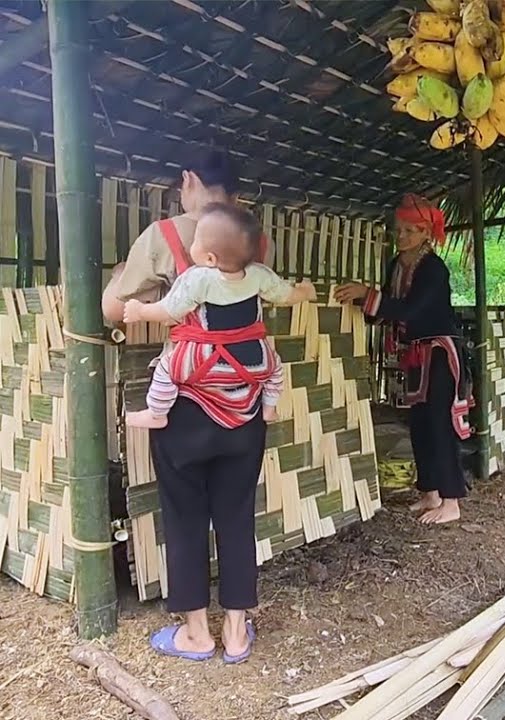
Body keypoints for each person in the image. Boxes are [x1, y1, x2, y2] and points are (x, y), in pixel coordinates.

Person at [102, 150, 275, 663]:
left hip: (185, 403)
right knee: (237, 514)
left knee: (184, 516)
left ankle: (197, 635)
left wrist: (121, 276)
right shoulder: (253, 238)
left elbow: (114, 310)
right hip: (244, 402)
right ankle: (237, 633)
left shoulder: (166, 235)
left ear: (190, 180)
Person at [334, 194, 473, 525]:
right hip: (415, 355)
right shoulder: (397, 265)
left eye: (410, 231)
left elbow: (409, 310)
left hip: (438, 353)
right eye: (399, 230)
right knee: (420, 423)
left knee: (439, 423)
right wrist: (362, 302)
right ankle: (430, 493)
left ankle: (451, 501)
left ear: (426, 233)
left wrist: (367, 295)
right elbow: (388, 306)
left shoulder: (433, 269)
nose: (402, 236)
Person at [122, 203, 316, 429]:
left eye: (196, 240)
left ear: (210, 259)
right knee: (276, 369)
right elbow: (287, 295)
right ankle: (269, 408)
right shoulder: (260, 275)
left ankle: (157, 414)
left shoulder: (199, 279)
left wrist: (139, 311)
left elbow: (169, 310)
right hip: (255, 364)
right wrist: (305, 292)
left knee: (166, 369)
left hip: (204, 363)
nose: (192, 244)